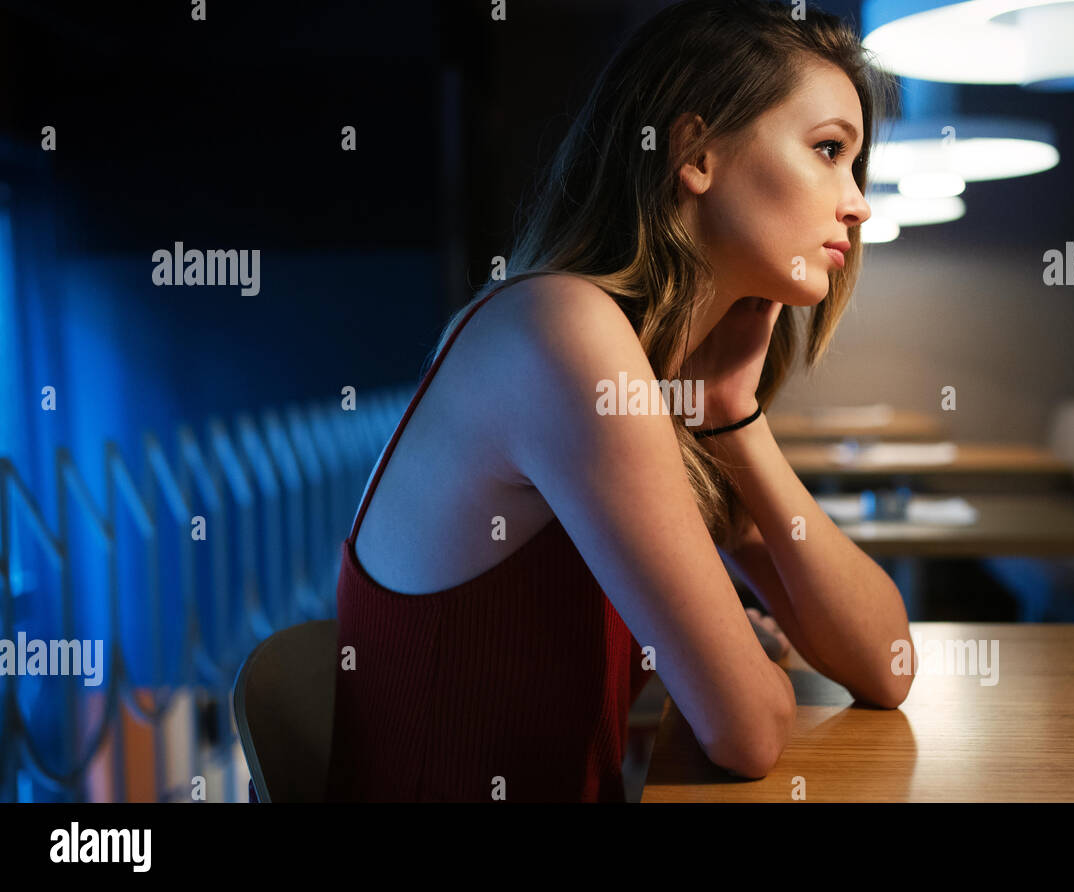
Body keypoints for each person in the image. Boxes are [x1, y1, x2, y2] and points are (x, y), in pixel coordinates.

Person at [325, 0, 916, 803]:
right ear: (694, 151)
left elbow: (886, 664)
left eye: (855, 165)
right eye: (827, 151)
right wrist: (730, 663)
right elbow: (748, 731)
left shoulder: (655, 377)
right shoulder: (562, 331)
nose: (858, 203)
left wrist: (736, 419)